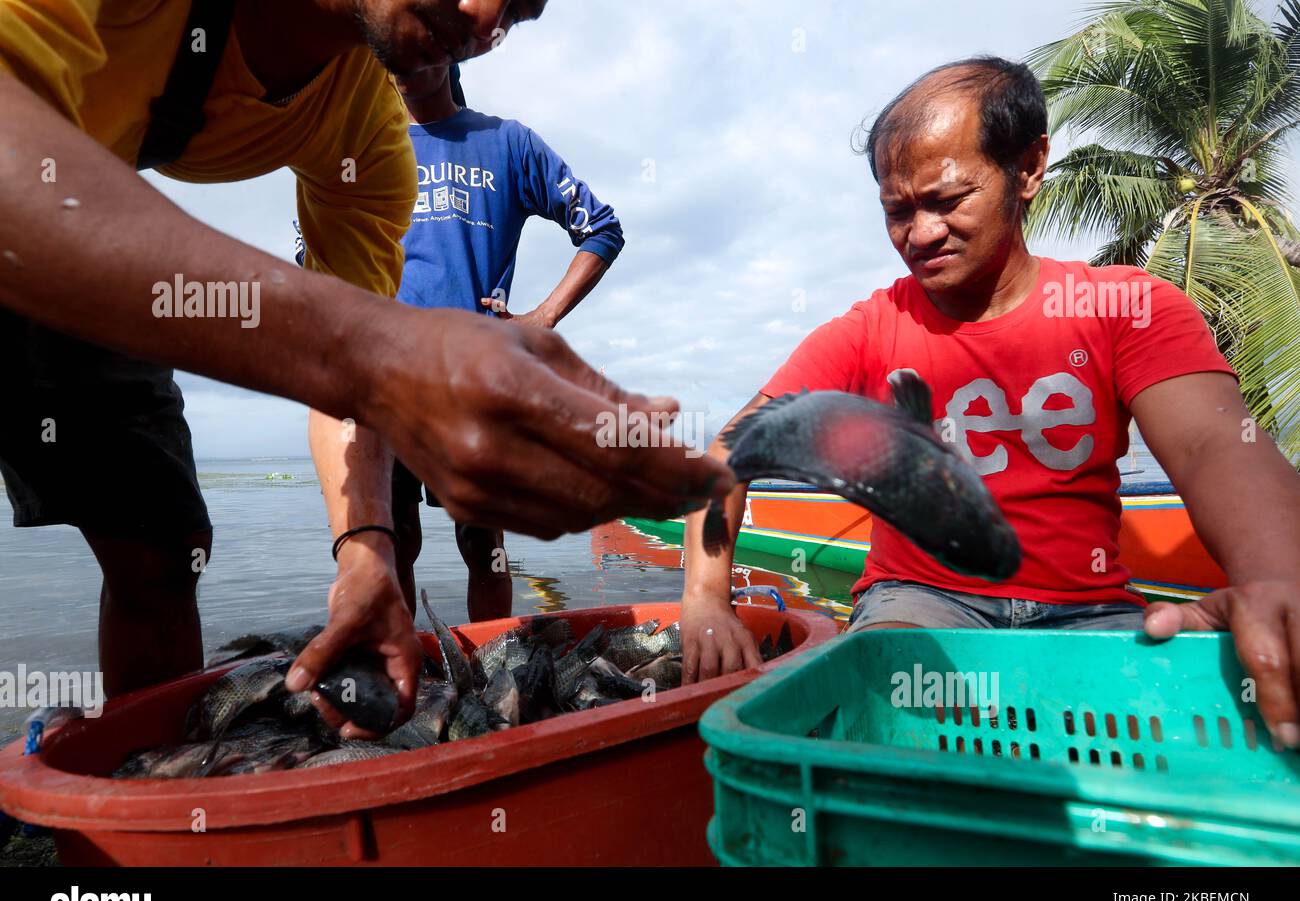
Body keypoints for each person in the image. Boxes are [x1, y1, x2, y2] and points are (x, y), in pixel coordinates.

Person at [0, 0, 732, 738]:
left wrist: (364, 552)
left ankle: (146, 782)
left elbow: (343, 375)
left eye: (518, 12)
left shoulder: (371, 140)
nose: (485, 22)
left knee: (162, 543)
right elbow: (349, 346)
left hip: (73, 211)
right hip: (39, 184)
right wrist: (386, 354)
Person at [678, 57, 1300, 749]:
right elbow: (733, 451)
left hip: (1088, 612)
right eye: (897, 211)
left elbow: (1214, 444)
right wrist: (706, 599)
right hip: (918, 601)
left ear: (1029, 168)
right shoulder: (868, 329)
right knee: (887, 717)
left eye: (946, 201)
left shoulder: (1126, 307)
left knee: (1164, 748)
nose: (920, 234)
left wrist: (1278, 579)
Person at [388, 62, 625, 621]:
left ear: (448, 47)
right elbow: (316, 256)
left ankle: (493, 667)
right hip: (385, 379)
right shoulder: (356, 146)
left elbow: (601, 227)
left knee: (482, 545)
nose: (406, 56)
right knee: (392, 543)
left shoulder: (505, 142)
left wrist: (542, 317)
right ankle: (399, 685)